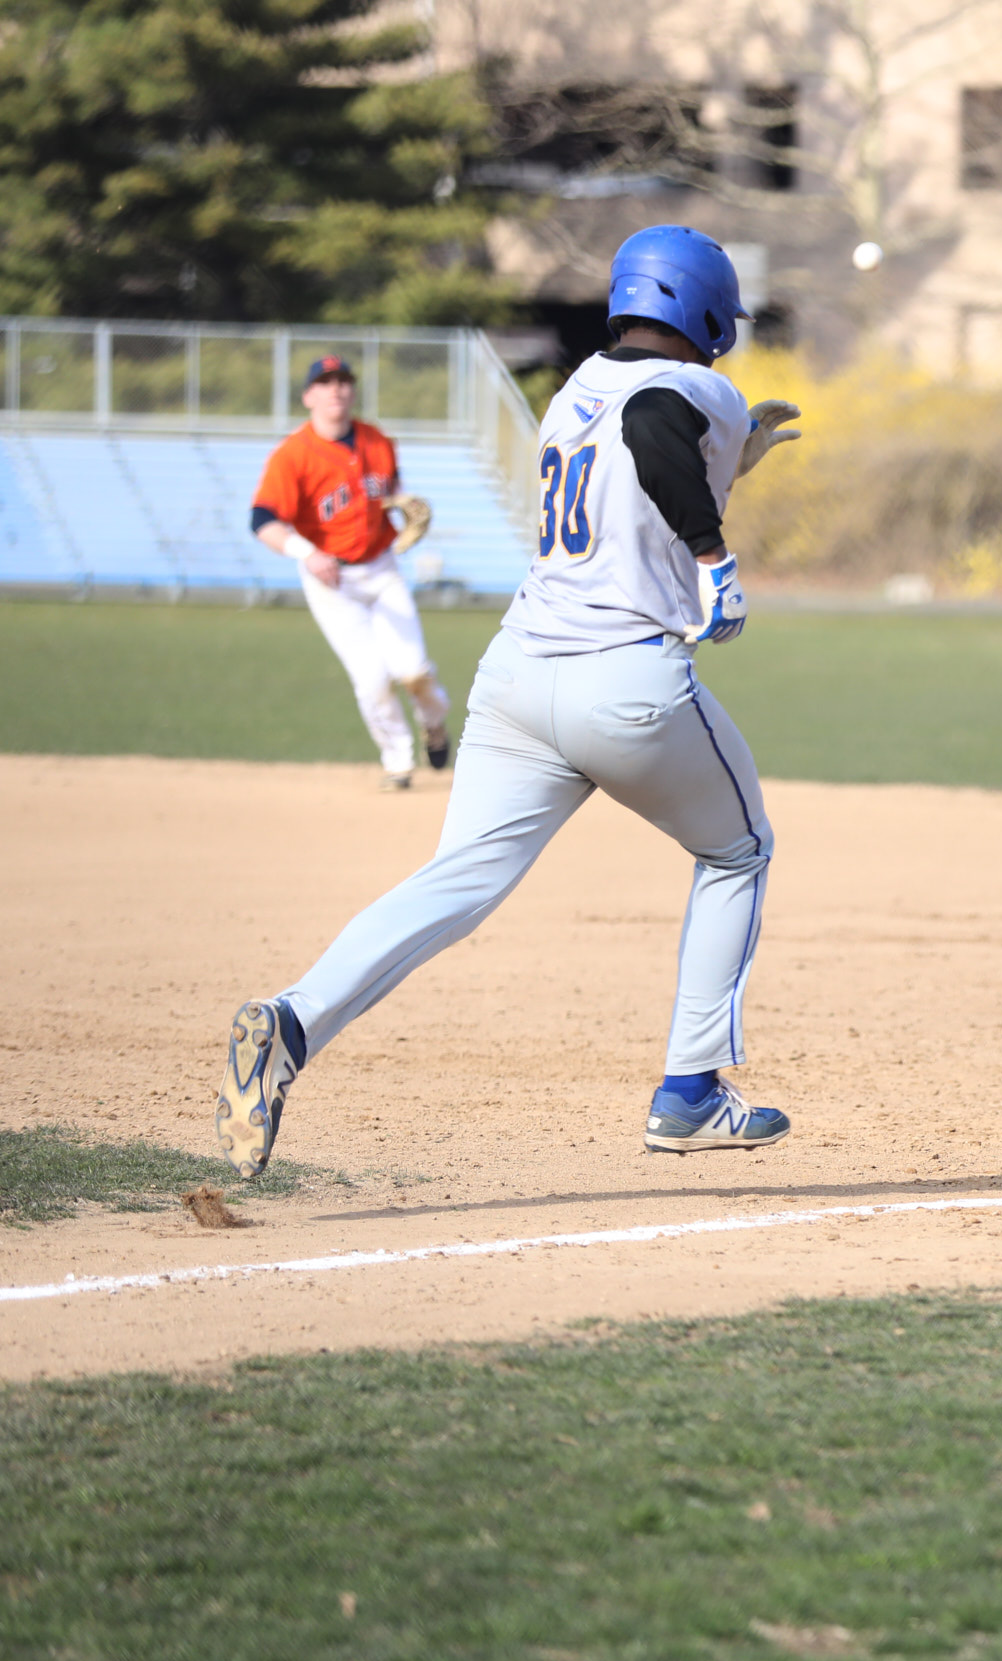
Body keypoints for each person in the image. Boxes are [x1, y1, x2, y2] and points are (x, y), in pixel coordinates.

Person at [216, 225, 806, 1176]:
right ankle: (691, 1091)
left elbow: (635, 453)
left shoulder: (572, 393)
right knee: (738, 849)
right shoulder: (696, 388)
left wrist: (728, 466)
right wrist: (714, 557)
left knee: (456, 883)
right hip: (625, 683)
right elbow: (657, 436)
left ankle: (293, 1021)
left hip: (518, 678)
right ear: (701, 313)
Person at [251, 357, 451, 790]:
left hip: (381, 568)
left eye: (343, 381)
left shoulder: (377, 441)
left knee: (413, 670)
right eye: (324, 383)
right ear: (309, 396)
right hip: (332, 581)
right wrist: (306, 553)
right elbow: (262, 520)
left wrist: (404, 503)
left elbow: (389, 492)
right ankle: (397, 761)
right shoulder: (293, 455)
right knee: (372, 680)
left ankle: (434, 722)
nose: (336, 389)